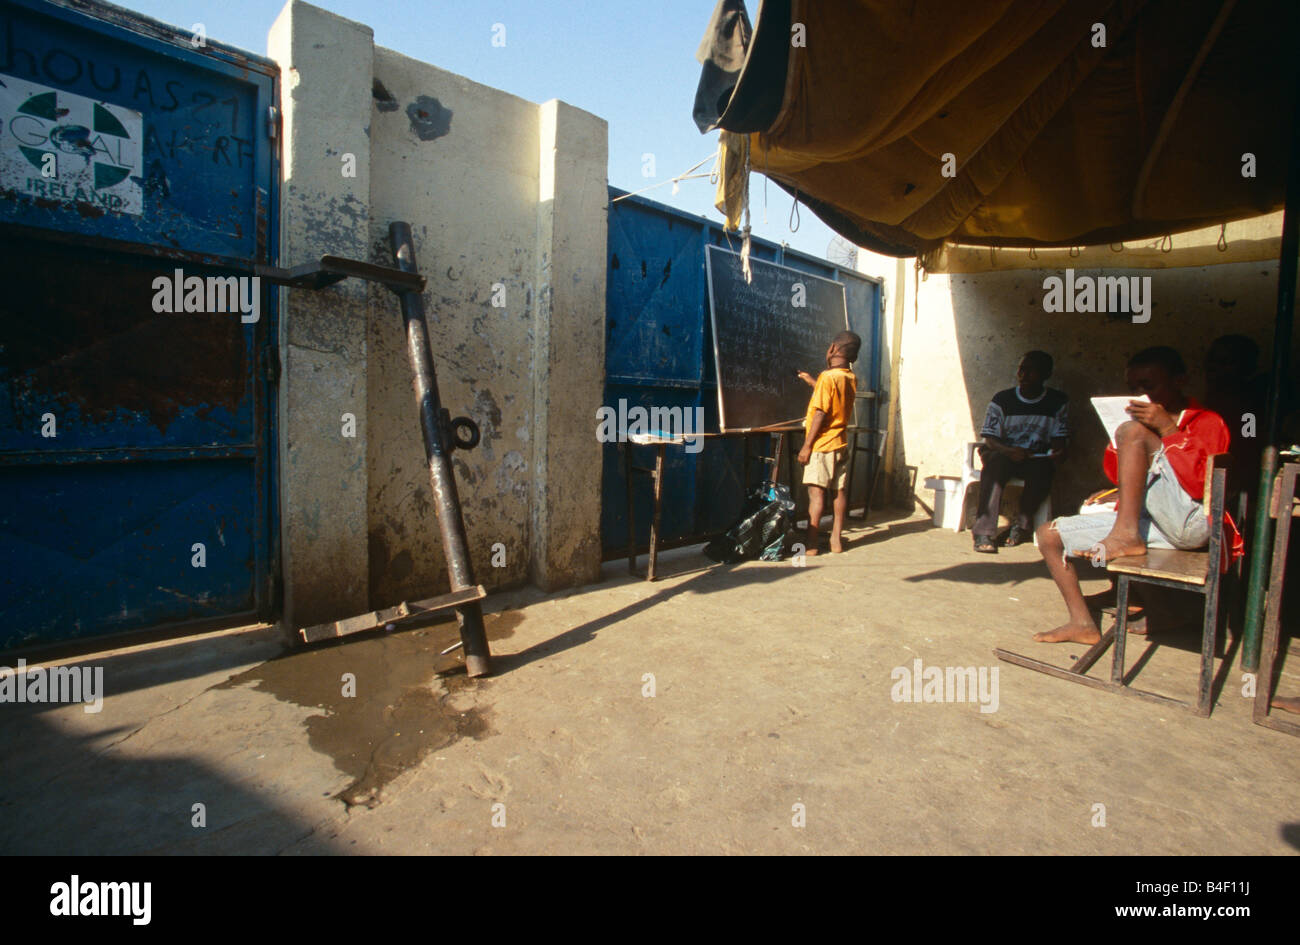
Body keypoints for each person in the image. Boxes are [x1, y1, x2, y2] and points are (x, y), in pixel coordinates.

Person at [1034, 346, 1243, 644]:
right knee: (1048, 535)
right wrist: (1125, 438)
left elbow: (1200, 485)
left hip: (1193, 521)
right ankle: (1082, 623)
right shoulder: (1138, 428)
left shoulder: (1207, 421)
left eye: (1149, 385)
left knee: (1131, 432)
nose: (1142, 394)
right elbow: (1113, 472)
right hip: (1155, 523)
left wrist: (1167, 430)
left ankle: (1128, 538)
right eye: (1134, 387)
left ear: (1179, 380)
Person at [972, 351, 1069, 553]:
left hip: (1033, 458)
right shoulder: (1003, 400)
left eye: (1030, 371)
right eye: (1021, 369)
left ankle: (1022, 526)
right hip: (1002, 452)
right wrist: (1009, 451)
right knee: (994, 466)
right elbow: (989, 439)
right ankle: (983, 532)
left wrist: (1057, 452)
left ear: (1045, 375)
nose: (1023, 375)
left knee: (1044, 470)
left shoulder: (1057, 402)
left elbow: (1059, 439)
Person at [796, 331, 860, 555]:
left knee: (817, 494)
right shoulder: (849, 377)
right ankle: (836, 540)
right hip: (840, 443)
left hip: (822, 444)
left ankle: (812, 544)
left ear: (832, 349)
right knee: (838, 492)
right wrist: (811, 381)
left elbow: (822, 412)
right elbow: (832, 397)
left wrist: (807, 446)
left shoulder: (827, 377)